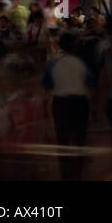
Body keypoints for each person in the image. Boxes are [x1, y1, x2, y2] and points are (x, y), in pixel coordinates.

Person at [43, 31, 95, 181]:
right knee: (80, 139)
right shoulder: (82, 63)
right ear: (75, 46)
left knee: (62, 140)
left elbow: (46, 87)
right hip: (80, 103)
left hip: (60, 104)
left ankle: (65, 174)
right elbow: (91, 85)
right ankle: (78, 173)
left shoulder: (53, 63)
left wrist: (45, 108)